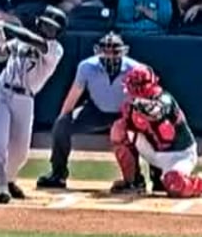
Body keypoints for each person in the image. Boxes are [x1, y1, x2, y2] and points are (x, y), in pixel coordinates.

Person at [36, 31, 149, 190]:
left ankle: (137, 178)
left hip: (124, 113)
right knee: (62, 125)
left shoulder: (135, 68)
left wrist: (135, 121)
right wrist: (62, 119)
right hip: (96, 110)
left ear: (123, 51)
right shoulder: (87, 66)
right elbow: (74, 94)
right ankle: (58, 174)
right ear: (98, 51)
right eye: (106, 51)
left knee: (149, 130)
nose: (109, 56)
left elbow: (145, 98)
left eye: (114, 52)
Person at [0, 6, 66, 203]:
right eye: (46, 25)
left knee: (20, 153)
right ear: (39, 22)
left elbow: (33, 40)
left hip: (25, 99)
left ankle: (10, 179)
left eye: (53, 28)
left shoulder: (55, 49)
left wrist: (5, 26)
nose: (48, 30)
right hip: (0, 92)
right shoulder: (18, 41)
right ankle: (0, 185)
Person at [108, 67, 202, 198]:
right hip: (152, 150)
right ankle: (133, 182)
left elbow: (158, 111)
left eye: (136, 85)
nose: (132, 90)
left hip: (179, 155)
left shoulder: (165, 99)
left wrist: (144, 106)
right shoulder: (130, 105)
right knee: (118, 129)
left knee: (175, 185)